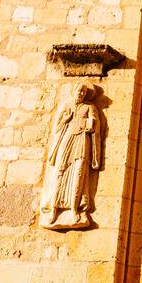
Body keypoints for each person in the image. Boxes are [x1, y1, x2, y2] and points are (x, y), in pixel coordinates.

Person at [39, 85, 103, 230]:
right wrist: (66, 119)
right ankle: (54, 210)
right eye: (79, 91)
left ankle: (74, 209)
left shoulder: (89, 107)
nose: (80, 93)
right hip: (67, 140)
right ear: (73, 92)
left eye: (83, 92)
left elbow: (95, 125)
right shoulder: (66, 106)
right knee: (60, 172)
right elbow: (57, 127)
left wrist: (87, 124)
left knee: (78, 173)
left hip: (82, 141)